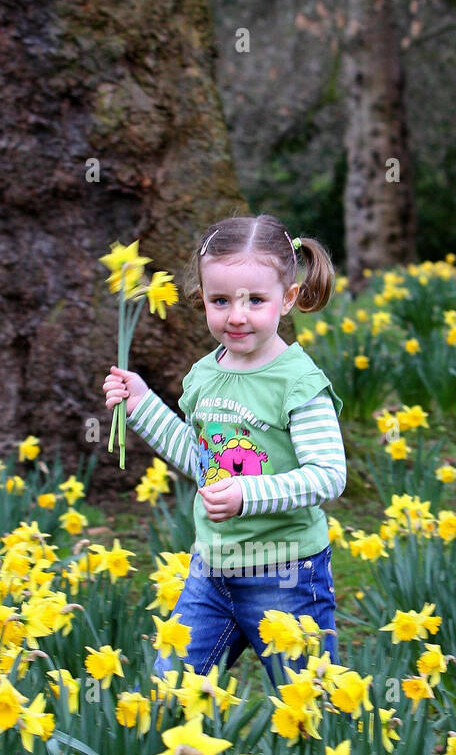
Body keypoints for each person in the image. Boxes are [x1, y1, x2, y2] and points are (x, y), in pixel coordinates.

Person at [102, 213, 346, 685]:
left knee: (310, 704)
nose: (237, 315)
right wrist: (140, 403)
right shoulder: (204, 374)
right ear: (203, 300)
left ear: (288, 299)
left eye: (255, 299)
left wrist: (245, 494)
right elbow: (200, 458)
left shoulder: (299, 383)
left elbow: (329, 476)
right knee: (170, 692)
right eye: (220, 300)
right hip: (210, 571)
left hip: (287, 574)